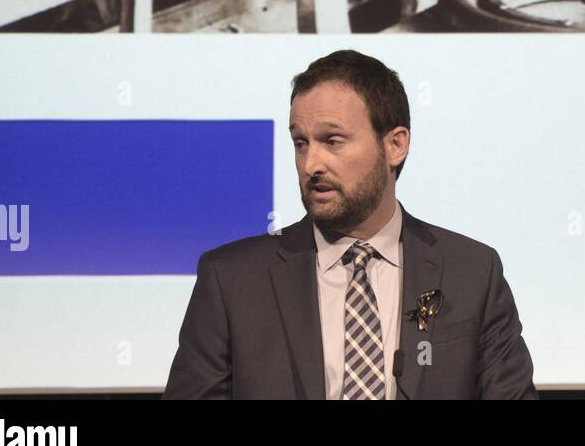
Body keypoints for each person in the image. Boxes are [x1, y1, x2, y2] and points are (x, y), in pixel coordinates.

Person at [164, 49, 538, 399]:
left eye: (333, 141)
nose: (312, 164)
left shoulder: (472, 272)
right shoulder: (231, 280)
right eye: (300, 143)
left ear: (395, 145)